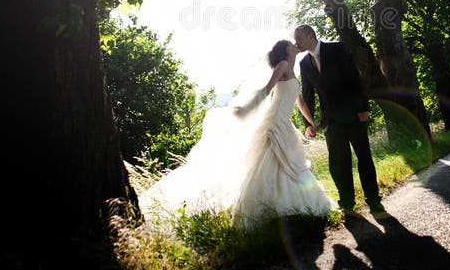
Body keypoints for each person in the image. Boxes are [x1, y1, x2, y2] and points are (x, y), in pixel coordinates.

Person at [140, 39, 336, 229]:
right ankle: (270, 210)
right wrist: (247, 109)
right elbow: (266, 90)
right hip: (275, 123)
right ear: (285, 51)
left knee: (286, 163)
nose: (295, 45)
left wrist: (312, 123)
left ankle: (294, 206)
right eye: (290, 44)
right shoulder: (283, 65)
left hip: (285, 123)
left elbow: (299, 101)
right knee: (269, 164)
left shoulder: (292, 70)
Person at [294, 24, 384, 216]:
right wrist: (309, 123)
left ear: (311, 36)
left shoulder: (337, 48)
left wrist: (363, 107)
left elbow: (355, 77)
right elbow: (308, 94)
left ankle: (374, 201)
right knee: (338, 163)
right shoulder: (304, 64)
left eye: (299, 38)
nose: (296, 43)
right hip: (330, 120)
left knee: (364, 158)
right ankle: (347, 204)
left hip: (353, 113)